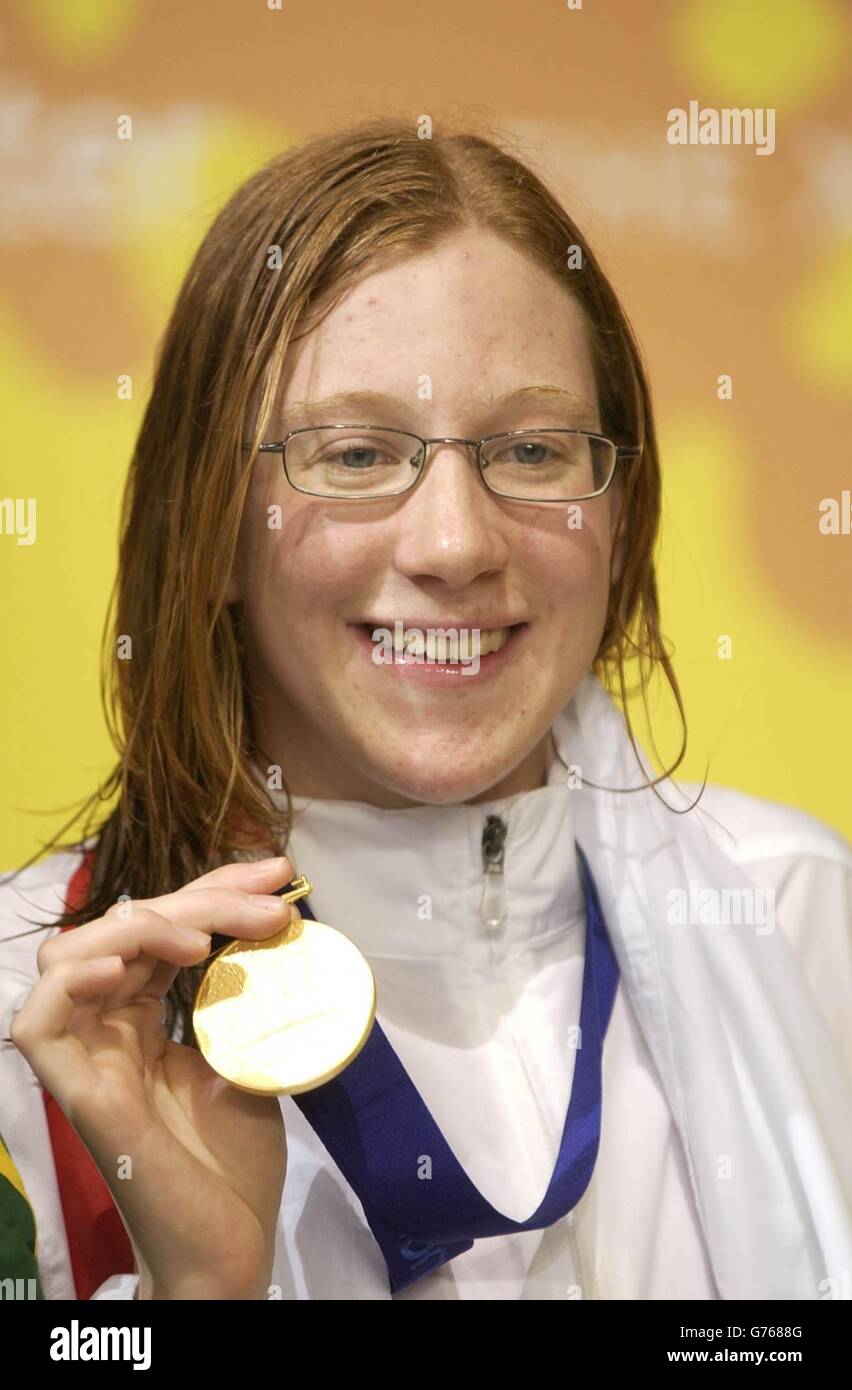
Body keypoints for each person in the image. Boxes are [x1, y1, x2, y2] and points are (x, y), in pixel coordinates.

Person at [1, 117, 849, 1302]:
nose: (454, 542)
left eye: (534, 450)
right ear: (210, 531)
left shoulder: (802, 915)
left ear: (618, 510)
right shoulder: (36, 1015)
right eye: (355, 453)